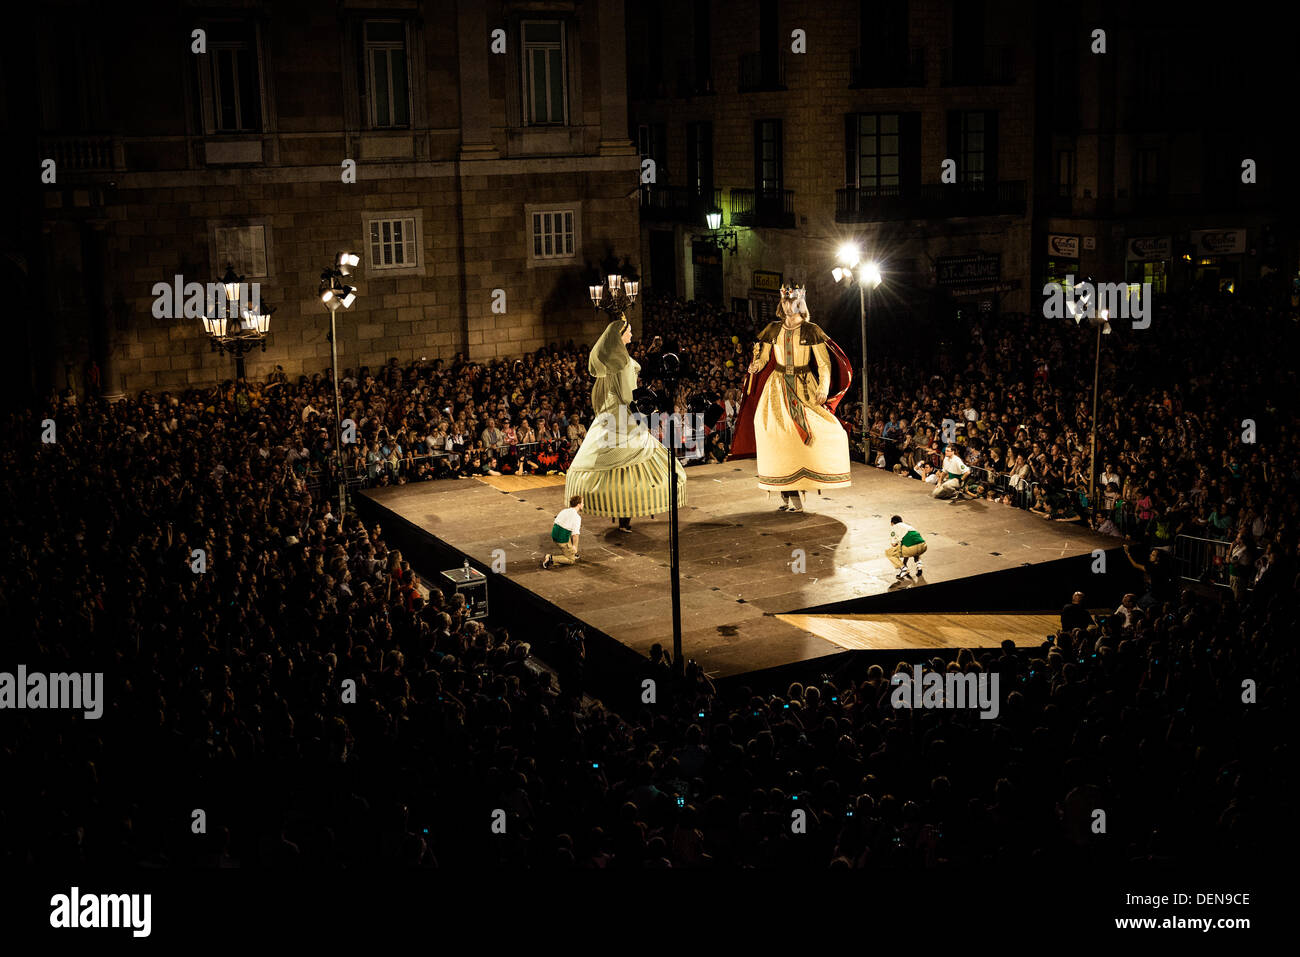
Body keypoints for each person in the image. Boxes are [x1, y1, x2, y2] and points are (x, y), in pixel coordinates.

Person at [727, 284, 852, 512]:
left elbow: (824, 364)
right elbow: (765, 358)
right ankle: (783, 490)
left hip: (804, 386)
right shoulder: (773, 329)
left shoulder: (811, 330)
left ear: (799, 303)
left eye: (791, 301)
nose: (787, 305)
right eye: (784, 301)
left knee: (824, 431)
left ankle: (805, 480)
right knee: (772, 433)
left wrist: (823, 386)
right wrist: (756, 365)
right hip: (777, 386)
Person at [563, 315, 687, 531]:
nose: (631, 333)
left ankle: (622, 513)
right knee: (633, 464)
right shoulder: (623, 362)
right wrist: (642, 415)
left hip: (609, 413)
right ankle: (627, 512)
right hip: (622, 413)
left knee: (621, 466)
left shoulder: (612, 358)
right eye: (628, 331)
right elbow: (627, 395)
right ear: (620, 336)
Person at [542, 495, 583, 568]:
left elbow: (556, 523)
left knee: (569, 531)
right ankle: (550, 558)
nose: (583, 505)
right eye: (582, 503)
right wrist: (575, 547)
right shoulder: (577, 517)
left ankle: (570, 552)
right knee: (571, 560)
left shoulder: (564, 511)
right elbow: (575, 535)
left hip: (554, 534)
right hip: (562, 539)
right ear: (579, 505)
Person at [886, 515, 927, 580]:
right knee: (914, 548)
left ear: (892, 523)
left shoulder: (894, 527)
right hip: (923, 546)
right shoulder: (909, 526)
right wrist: (905, 562)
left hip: (911, 548)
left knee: (889, 553)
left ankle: (903, 569)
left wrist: (896, 542)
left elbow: (893, 544)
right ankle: (919, 565)